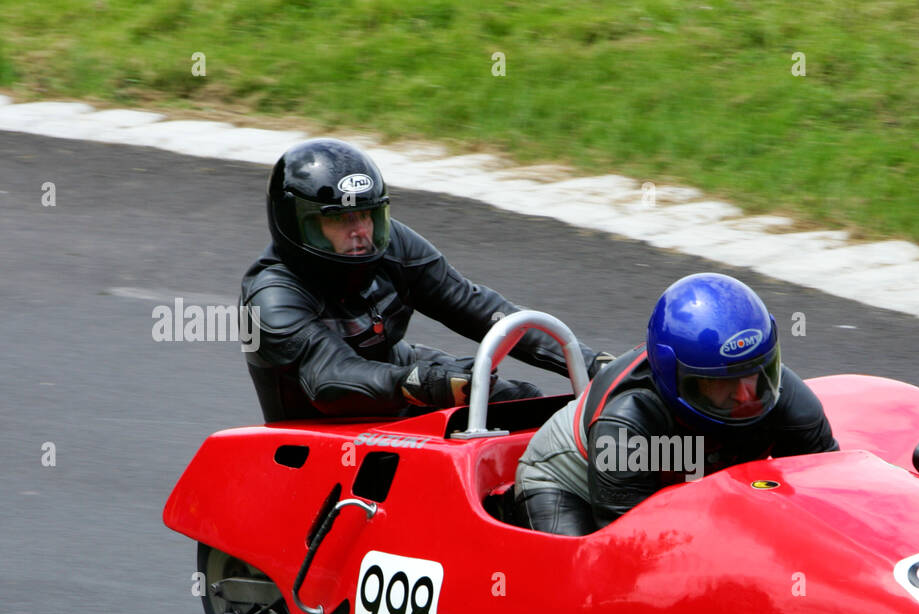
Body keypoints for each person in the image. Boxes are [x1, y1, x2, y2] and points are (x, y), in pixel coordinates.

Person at [240, 138, 611, 421]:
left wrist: (590, 363)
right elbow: (330, 378)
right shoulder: (271, 297)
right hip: (323, 430)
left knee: (523, 405)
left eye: (367, 215)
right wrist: (419, 384)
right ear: (296, 224)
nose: (359, 232)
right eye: (339, 219)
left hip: (400, 384)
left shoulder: (391, 244)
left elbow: (474, 306)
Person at [514, 273, 838, 534]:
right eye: (721, 382)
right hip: (569, 486)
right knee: (583, 583)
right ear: (675, 379)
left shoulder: (791, 403)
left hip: (681, 479)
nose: (745, 396)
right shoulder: (626, 426)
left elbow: (828, 497)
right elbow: (625, 544)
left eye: (756, 373)